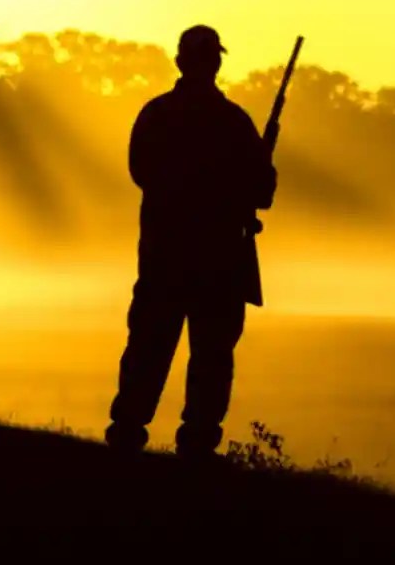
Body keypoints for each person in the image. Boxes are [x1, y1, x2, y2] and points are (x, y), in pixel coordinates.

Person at [105, 25, 277, 459]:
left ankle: (131, 434)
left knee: (159, 348)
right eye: (206, 57)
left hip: (168, 256)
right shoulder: (232, 121)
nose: (207, 64)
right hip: (211, 261)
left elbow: (141, 173)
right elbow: (262, 194)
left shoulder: (159, 114)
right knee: (201, 355)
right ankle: (190, 442)